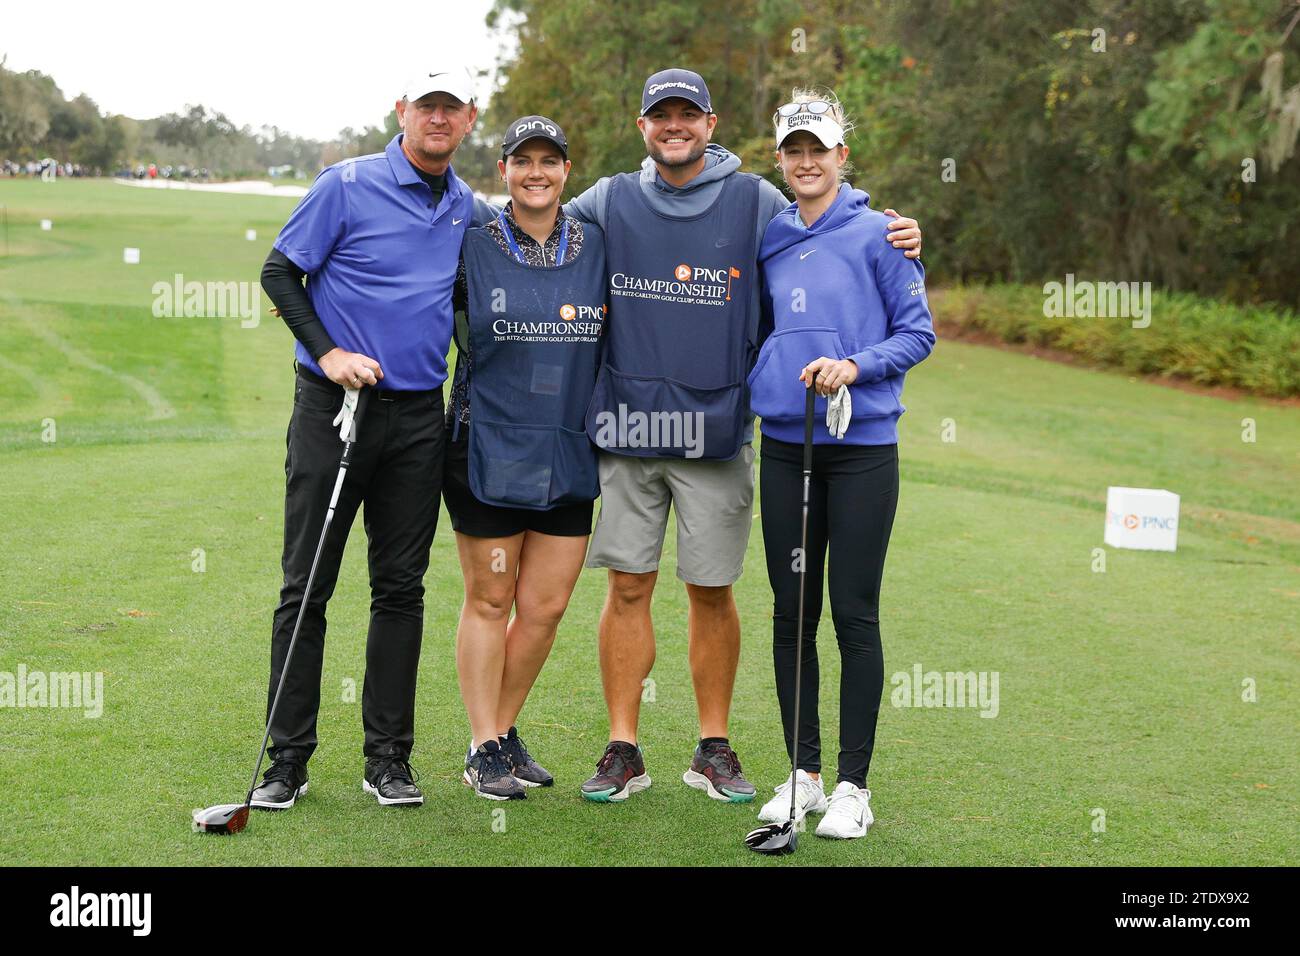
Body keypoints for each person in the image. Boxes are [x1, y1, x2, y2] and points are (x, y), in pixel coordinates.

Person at [564, 69, 924, 803]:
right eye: (660, 115)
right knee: (628, 586)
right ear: (642, 127)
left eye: (687, 115)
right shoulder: (610, 197)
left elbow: (841, 236)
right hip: (631, 428)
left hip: (722, 433)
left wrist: (904, 234)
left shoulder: (760, 203)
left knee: (712, 589)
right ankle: (623, 747)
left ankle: (714, 747)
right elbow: (536, 215)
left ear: (711, 121)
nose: (674, 127)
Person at [252, 66, 493, 811]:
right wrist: (328, 352)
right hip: (335, 406)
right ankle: (285, 761)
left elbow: (537, 238)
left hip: (419, 417)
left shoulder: (468, 209)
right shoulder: (345, 185)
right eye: (428, 107)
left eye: (452, 109)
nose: (439, 119)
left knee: (400, 589)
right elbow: (280, 272)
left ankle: (388, 760)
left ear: (470, 119)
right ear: (402, 111)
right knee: (308, 587)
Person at [749, 90, 935, 838]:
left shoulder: (883, 233)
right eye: (793, 149)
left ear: (841, 156)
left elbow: (917, 334)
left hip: (861, 452)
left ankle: (854, 787)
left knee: (853, 614)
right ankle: (804, 775)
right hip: (786, 446)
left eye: (817, 149)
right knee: (791, 614)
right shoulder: (770, 235)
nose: (805, 161)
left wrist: (855, 366)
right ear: (781, 158)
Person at [443, 116, 607, 800]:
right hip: (486, 443)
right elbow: (400, 289)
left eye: (549, 160)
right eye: (522, 161)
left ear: (567, 170)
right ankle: (481, 746)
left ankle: (502, 733)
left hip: (568, 448)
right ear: (503, 170)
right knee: (490, 597)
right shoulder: (470, 243)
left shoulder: (598, 243)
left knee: (544, 606)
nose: (536, 172)